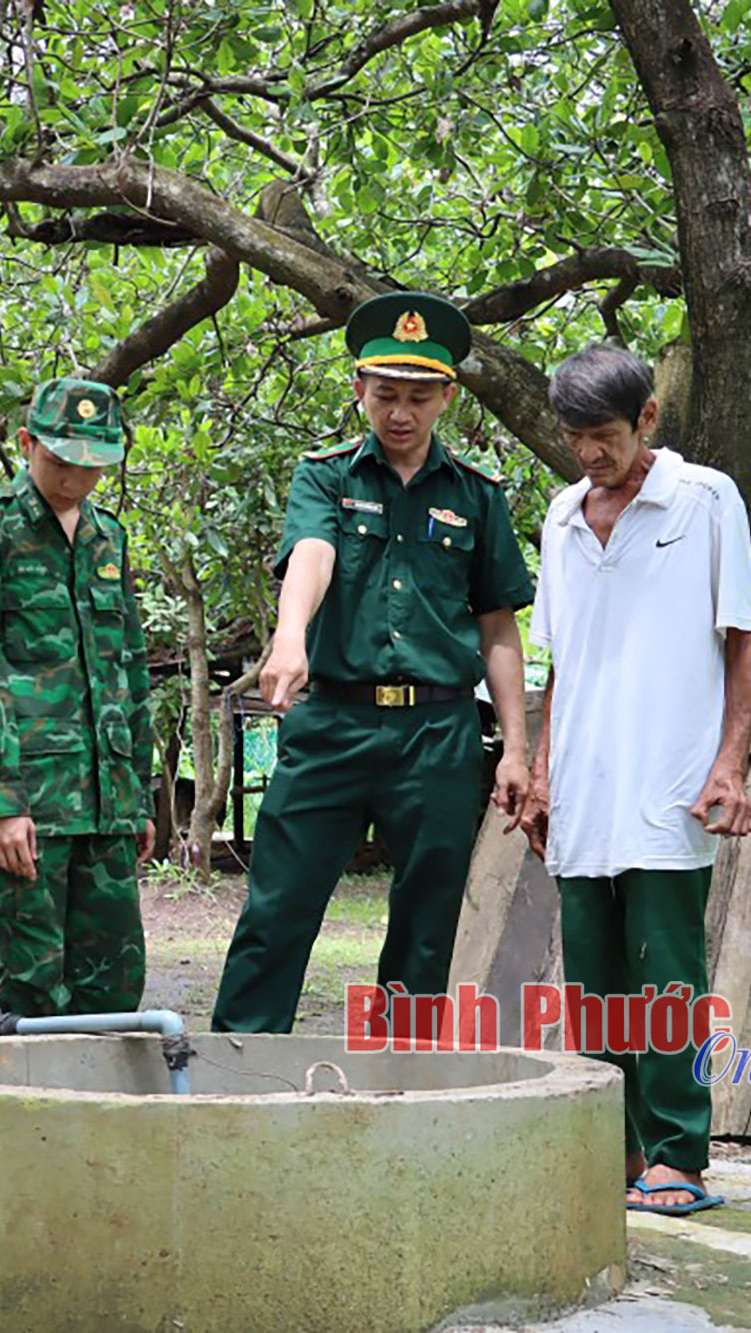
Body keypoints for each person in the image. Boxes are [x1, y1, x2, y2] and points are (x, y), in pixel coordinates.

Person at [212, 292, 533, 1039]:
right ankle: (234, 1073)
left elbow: (499, 627)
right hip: (332, 721)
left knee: (426, 925)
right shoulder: (325, 476)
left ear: (446, 397)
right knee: (279, 907)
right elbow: (313, 552)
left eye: (419, 397)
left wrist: (516, 747)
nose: (400, 413)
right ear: (358, 388)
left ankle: (400, 1077)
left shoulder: (477, 497)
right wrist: (289, 634)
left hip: (439, 731)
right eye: (385, 394)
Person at [514, 342, 751, 1217]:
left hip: (669, 779)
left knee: (666, 973)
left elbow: (743, 637)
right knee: (592, 981)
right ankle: (612, 1146)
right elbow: (556, 658)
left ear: (647, 420)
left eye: (605, 435)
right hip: (584, 784)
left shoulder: (703, 501)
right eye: (576, 436)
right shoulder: (560, 515)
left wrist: (730, 762)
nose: (589, 453)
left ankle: (679, 1153)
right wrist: (541, 772)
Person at [0, 377, 157, 1017]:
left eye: (92, 465)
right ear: (28, 443)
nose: (76, 479)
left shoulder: (107, 538)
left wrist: (136, 796)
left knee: (115, 989)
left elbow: (129, 668)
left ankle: (104, 1117)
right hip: (30, 805)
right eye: (62, 461)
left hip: (107, 804)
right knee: (28, 992)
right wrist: (1, 804)